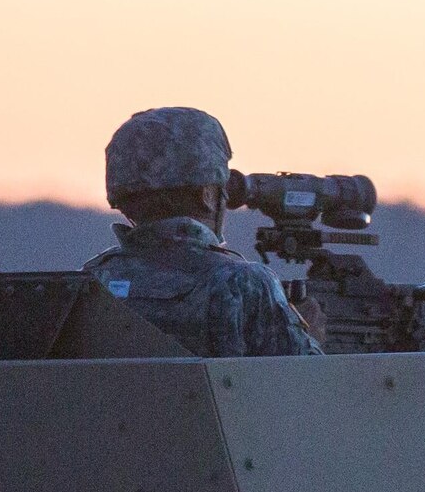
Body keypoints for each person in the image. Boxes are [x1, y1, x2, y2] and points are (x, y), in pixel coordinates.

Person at [82, 107, 323, 357]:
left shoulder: (93, 279)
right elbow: (309, 385)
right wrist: (309, 336)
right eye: (222, 189)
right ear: (207, 196)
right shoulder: (242, 283)